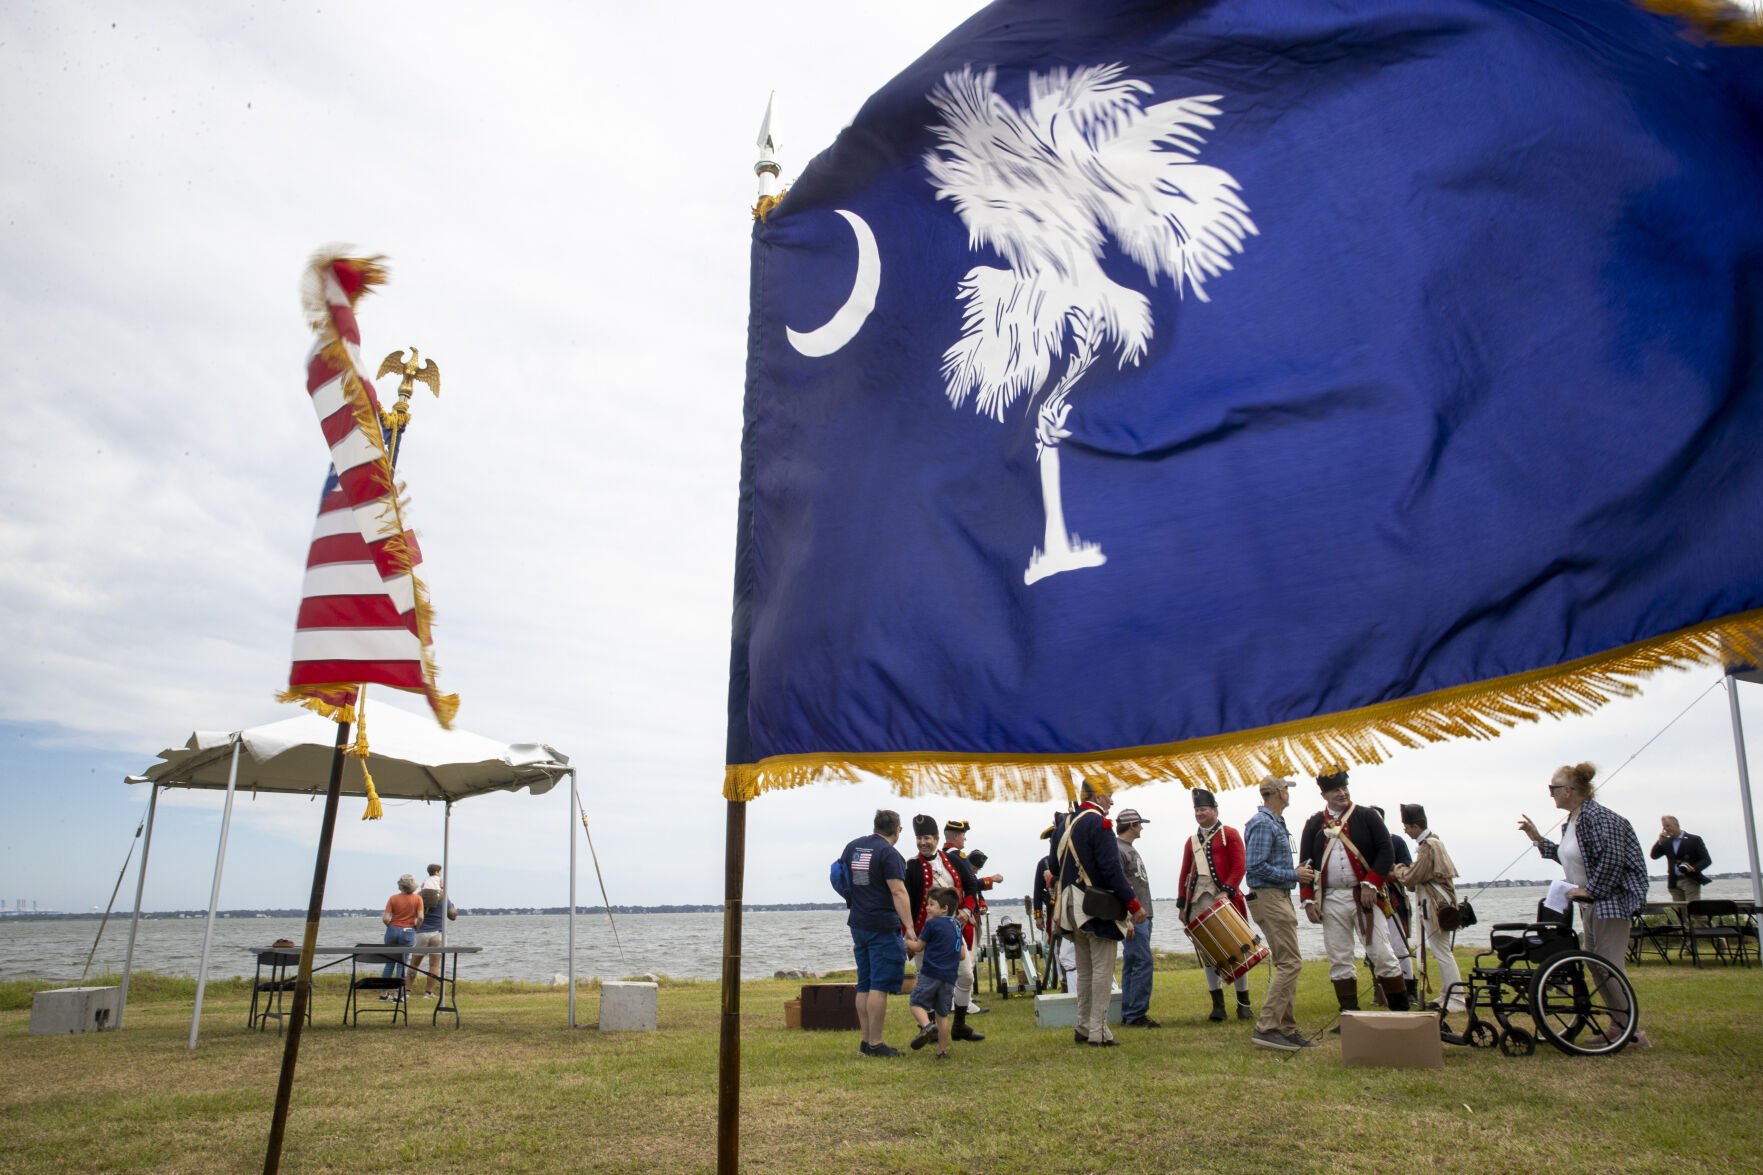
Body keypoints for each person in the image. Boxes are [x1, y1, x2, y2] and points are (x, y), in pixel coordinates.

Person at [1518, 762, 1651, 1047]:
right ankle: (1621, 1025)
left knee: (1609, 963)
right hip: (1591, 903)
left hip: (1611, 902)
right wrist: (1538, 840)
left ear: (1568, 790)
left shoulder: (1600, 818)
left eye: (1553, 788)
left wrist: (1590, 890)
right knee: (1595, 962)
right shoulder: (1573, 821)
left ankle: (1633, 1032)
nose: (1550, 793)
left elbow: (1613, 858)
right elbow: (1569, 858)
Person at [1298, 771, 1410, 1018]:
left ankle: (1401, 1015)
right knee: (1339, 957)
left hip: (1365, 897)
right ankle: (1350, 1017)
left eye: (1344, 788)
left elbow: (1386, 851)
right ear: (1324, 794)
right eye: (1335, 790)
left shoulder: (1367, 816)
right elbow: (1305, 864)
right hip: (1331, 898)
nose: (1341, 793)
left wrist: (1371, 884)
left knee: (1381, 953)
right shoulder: (1314, 823)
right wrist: (1307, 899)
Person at [1055, 781, 1147, 1047]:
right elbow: (1110, 870)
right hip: (1094, 907)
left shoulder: (1065, 823)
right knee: (1102, 971)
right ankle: (1098, 1031)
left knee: (1084, 971)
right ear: (1097, 795)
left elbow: (1053, 863)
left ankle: (1083, 1026)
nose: (1112, 802)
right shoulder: (1100, 823)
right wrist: (1133, 905)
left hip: (1071, 906)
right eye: (1109, 796)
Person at [840, 809, 923, 1057]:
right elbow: (898, 891)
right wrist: (909, 928)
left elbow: (843, 878)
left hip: (858, 922)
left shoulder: (853, 847)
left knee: (864, 983)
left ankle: (865, 1042)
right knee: (880, 985)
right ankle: (875, 1043)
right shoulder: (889, 854)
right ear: (898, 830)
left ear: (876, 825)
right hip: (882, 925)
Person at [1243, 776, 1312, 1051]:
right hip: (1271, 897)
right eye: (1287, 789)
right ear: (1280, 793)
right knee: (1290, 963)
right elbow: (1255, 868)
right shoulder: (1262, 823)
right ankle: (1268, 1027)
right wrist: (1293, 874)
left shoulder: (1272, 822)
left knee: (1288, 961)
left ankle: (1286, 1028)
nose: (1288, 794)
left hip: (1278, 896)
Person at [902, 814, 984, 1043]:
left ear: (937, 838)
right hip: (925, 933)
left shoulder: (955, 862)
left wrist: (966, 912)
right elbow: (904, 899)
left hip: (953, 932)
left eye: (927, 837)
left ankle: (958, 1025)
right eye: (919, 838)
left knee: (966, 976)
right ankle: (930, 1030)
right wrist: (908, 932)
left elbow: (970, 887)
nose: (922, 842)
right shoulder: (911, 867)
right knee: (926, 980)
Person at [1178, 789, 1254, 1023]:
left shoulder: (1229, 834)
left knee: (1237, 950)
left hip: (1224, 900)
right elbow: (1184, 873)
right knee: (1209, 953)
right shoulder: (1191, 842)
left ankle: (1243, 1004)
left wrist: (1227, 891)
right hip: (1198, 902)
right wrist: (1182, 904)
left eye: (1203, 809)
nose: (1200, 813)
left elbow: (1239, 865)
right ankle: (1218, 1006)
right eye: (1197, 810)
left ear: (1214, 810)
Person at [1391, 803, 1464, 1013]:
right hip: (1433, 902)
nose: (1405, 829)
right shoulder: (1432, 842)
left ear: (1415, 825)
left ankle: (1456, 998)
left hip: (1434, 905)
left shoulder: (1428, 846)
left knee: (1442, 952)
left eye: (1406, 825)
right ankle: (1447, 993)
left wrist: (1399, 869)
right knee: (1442, 951)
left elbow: (1414, 877)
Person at [943, 818, 1002, 1016]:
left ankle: (957, 1001)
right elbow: (971, 885)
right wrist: (990, 880)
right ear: (956, 837)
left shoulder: (945, 856)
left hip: (962, 913)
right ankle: (963, 1003)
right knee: (966, 962)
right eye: (963, 836)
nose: (964, 840)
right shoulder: (957, 857)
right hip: (964, 917)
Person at [1114, 808, 1158, 1027]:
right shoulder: (1119, 849)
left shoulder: (1128, 849)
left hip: (1143, 915)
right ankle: (1136, 1014)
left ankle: (1129, 1011)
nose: (1141, 828)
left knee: (1132, 962)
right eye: (1140, 824)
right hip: (1135, 917)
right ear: (1132, 825)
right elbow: (1120, 887)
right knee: (1142, 962)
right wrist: (1127, 918)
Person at [907, 887, 963, 1059]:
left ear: (944, 909)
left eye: (931, 905)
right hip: (949, 977)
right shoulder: (956, 925)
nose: (927, 908)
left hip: (930, 973)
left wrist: (906, 941)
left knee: (916, 1003)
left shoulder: (931, 924)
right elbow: (962, 955)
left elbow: (918, 947)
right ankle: (942, 1051)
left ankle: (926, 1027)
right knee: (942, 1014)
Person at [1371, 805, 1417, 1006]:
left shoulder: (1395, 841)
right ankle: (1380, 991)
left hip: (1393, 900)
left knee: (1399, 945)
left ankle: (1408, 989)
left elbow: (1406, 867)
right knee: (1375, 946)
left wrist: (1387, 875)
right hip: (1372, 900)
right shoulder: (1364, 844)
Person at [1650, 816, 1712, 906]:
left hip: (1689, 879)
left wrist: (1694, 868)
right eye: (1664, 827)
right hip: (1674, 881)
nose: (1666, 829)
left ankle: (1702, 920)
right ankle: (1683, 921)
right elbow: (1654, 856)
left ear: (1676, 825)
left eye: (1668, 826)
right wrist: (1659, 842)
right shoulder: (1666, 842)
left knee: (1694, 909)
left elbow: (1706, 860)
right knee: (1679, 912)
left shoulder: (1694, 839)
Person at [379, 873, 424, 995]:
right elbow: (420, 917)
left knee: (389, 962)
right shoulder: (417, 899)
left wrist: (390, 925)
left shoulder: (393, 898)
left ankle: (383, 992)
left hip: (393, 929)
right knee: (401, 963)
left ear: (401, 886)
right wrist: (416, 927)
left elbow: (385, 918)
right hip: (408, 931)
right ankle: (397, 993)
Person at [412, 884, 459, 999]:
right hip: (438, 933)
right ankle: (428, 992)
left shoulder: (419, 896)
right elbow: (452, 916)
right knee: (434, 965)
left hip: (421, 933)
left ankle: (407, 990)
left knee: (413, 964)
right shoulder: (444, 898)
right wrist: (453, 907)